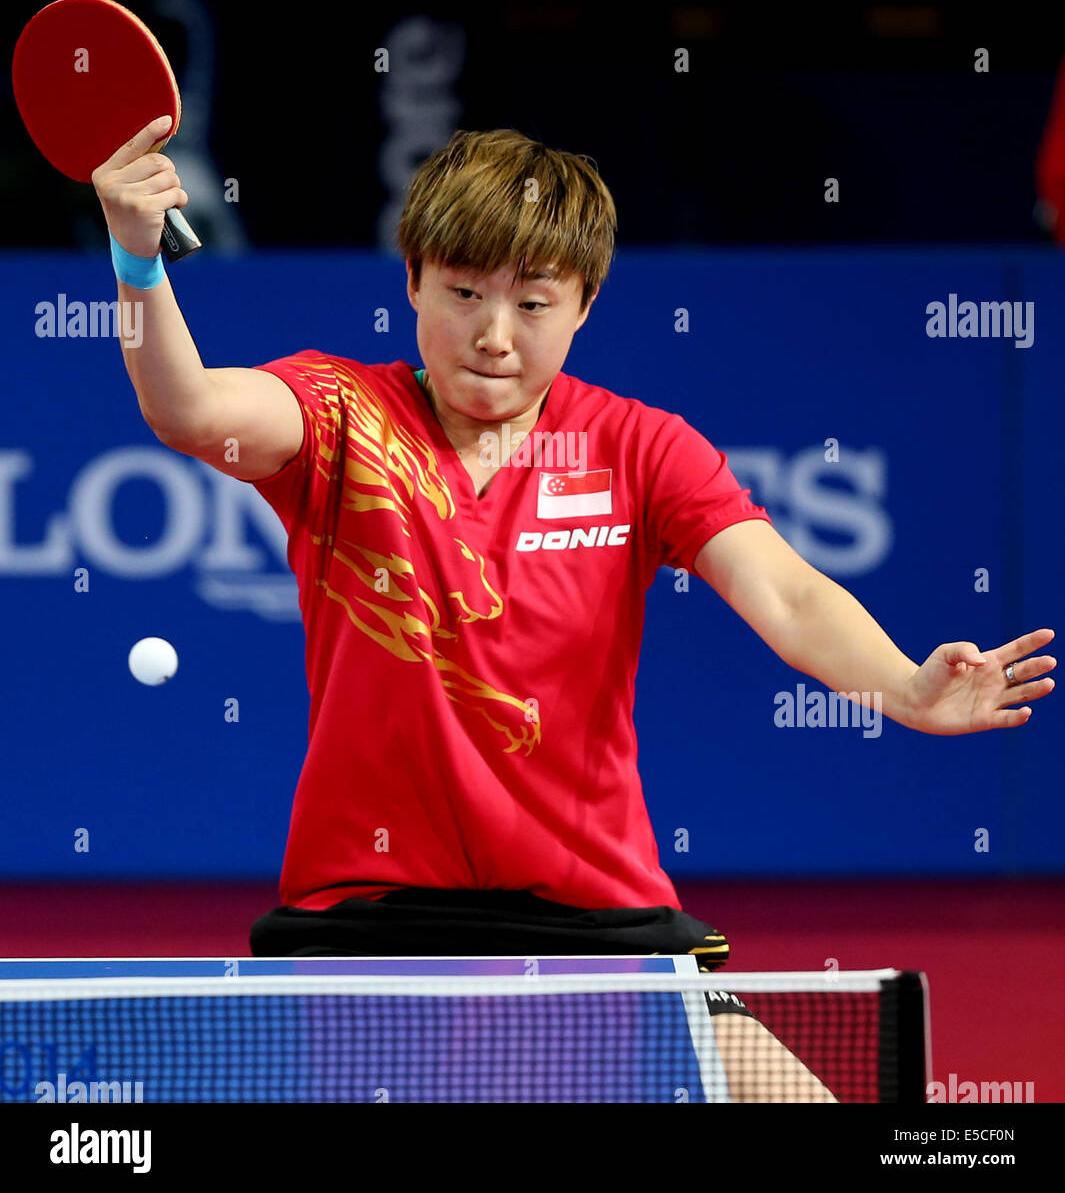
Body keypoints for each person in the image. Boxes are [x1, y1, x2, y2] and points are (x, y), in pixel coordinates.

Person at [93, 122, 1055, 1104]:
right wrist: (137, 259)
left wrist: (899, 683)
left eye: (533, 302)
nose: (495, 334)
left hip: (596, 911)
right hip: (373, 918)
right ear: (414, 280)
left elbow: (787, 588)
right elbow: (191, 410)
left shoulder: (639, 448)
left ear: (586, 305)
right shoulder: (340, 415)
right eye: (465, 292)